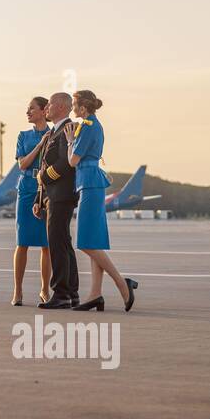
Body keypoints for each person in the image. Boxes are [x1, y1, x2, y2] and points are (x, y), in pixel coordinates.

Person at [63, 89, 140, 312]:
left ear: (83, 109)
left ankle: (121, 283)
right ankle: (95, 294)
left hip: (89, 183)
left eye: (75, 104)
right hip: (90, 183)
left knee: (85, 243)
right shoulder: (91, 124)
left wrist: (70, 141)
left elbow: (72, 161)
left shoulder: (87, 127)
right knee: (93, 241)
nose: (73, 108)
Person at [35, 92, 81, 309]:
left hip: (62, 195)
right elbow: (45, 164)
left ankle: (61, 294)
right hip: (51, 195)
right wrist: (39, 197)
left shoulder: (68, 129)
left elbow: (66, 163)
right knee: (63, 243)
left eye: (50, 104)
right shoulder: (54, 131)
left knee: (57, 245)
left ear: (62, 107)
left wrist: (45, 177)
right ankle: (71, 293)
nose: (47, 108)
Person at [11, 96, 52, 306]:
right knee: (23, 242)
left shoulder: (55, 133)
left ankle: (45, 289)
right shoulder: (24, 136)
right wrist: (38, 147)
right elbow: (23, 164)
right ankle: (17, 290)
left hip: (47, 189)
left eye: (31, 109)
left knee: (46, 243)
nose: (27, 112)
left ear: (44, 110)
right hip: (27, 189)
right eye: (27, 109)